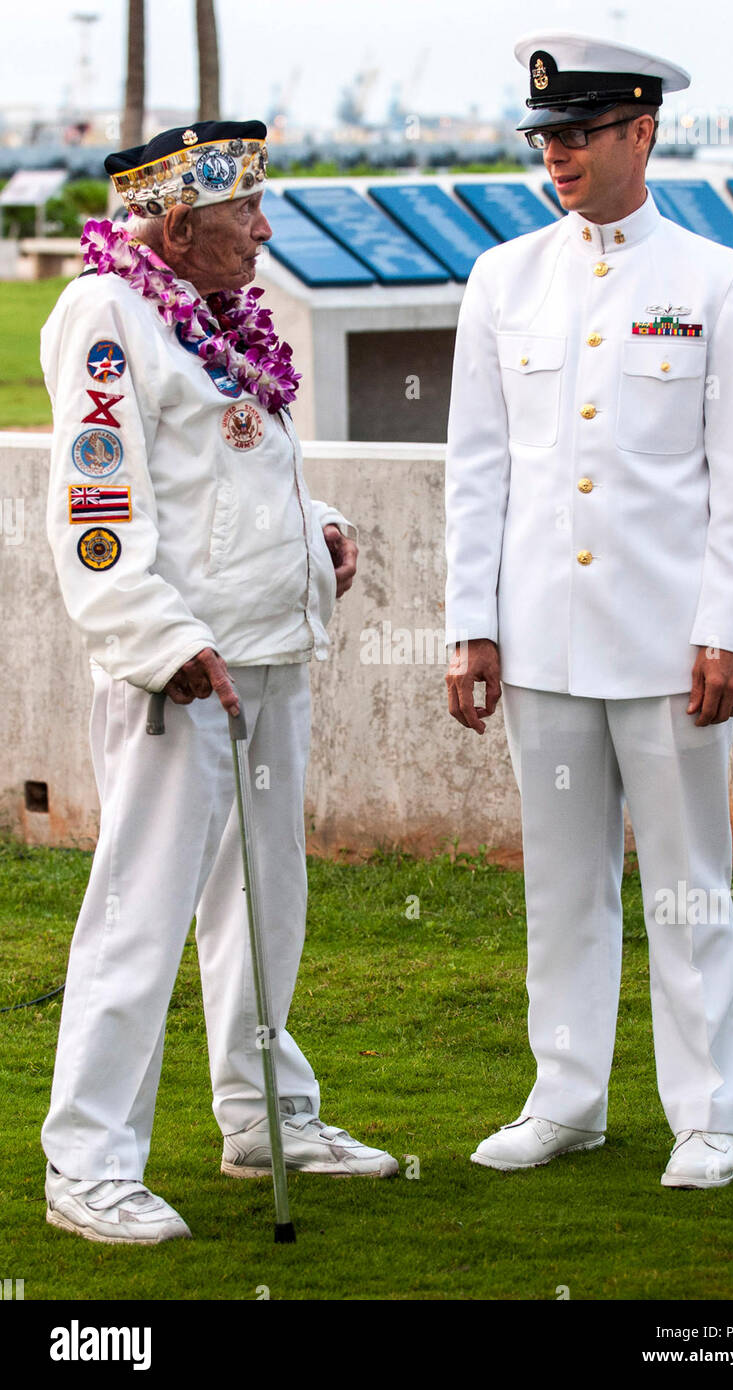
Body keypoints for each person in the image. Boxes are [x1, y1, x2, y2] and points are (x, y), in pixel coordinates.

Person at [41, 119, 397, 1246]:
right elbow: (98, 510)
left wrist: (320, 529)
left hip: (268, 657)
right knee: (137, 916)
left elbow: (235, 478)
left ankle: (266, 1119)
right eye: (245, 209)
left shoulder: (221, 317)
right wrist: (155, 636)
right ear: (180, 225)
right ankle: (89, 1163)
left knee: (265, 902)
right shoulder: (105, 315)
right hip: (181, 672)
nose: (264, 226)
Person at [444, 35, 733, 1188]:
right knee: (561, 884)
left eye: (578, 133)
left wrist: (727, 626)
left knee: (686, 882)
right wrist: (467, 623)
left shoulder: (715, 283)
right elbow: (477, 467)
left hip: (664, 643)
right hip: (539, 638)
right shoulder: (503, 280)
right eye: (544, 137)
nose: (557, 155)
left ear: (641, 131)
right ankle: (566, 1097)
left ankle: (704, 1113)